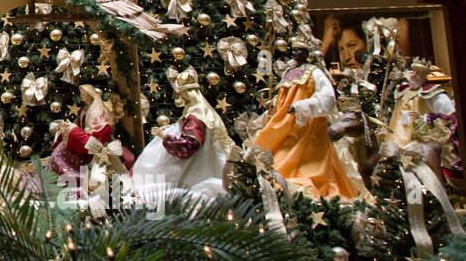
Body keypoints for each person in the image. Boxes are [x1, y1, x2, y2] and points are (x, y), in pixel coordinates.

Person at [251, 39, 365, 200]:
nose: (295, 53)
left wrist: (303, 106)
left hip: (307, 127)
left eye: (299, 50)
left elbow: (327, 98)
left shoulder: (314, 72)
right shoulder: (289, 72)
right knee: (276, 154)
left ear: (306, 54)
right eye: (294, 50)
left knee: (308, 163)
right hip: (283, 124)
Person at [133, 67, 233, 202]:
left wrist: (164, 136)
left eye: (181, 93)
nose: (179, 97)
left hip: (196, 172)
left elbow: (188, 147)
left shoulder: (195, 116)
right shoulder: (200, 111)